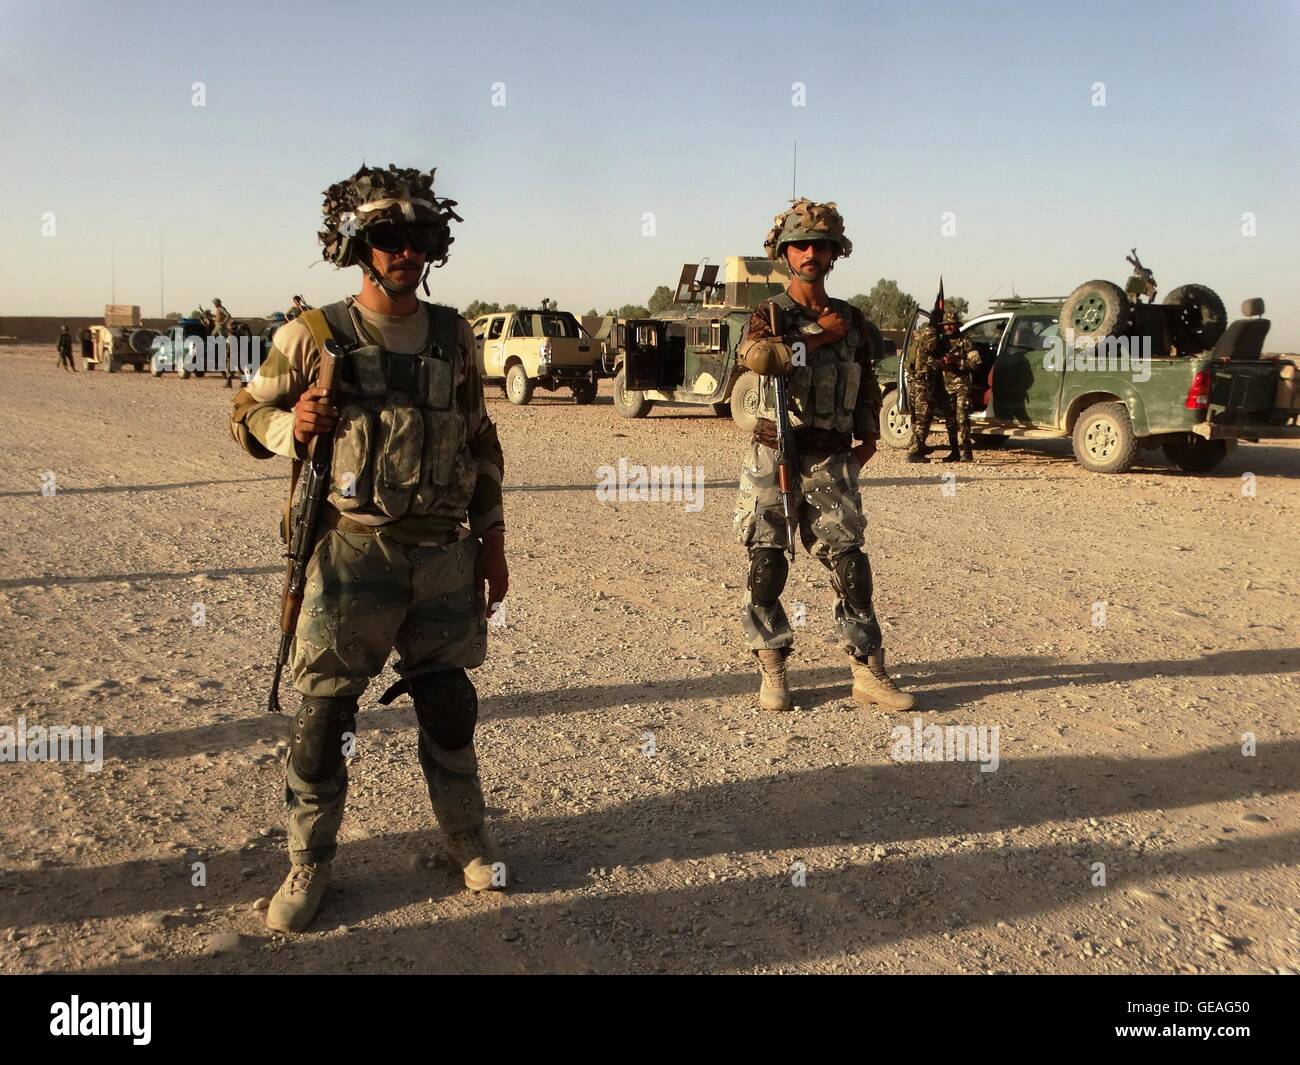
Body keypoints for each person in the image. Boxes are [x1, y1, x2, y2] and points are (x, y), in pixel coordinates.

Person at [228, 163, 509, 933]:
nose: (405, 252)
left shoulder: (454, 336)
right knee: (323, 718)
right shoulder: (312, 336)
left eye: (419, 238)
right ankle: (310, 860)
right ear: (358, 244)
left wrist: (493, 539)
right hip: (352, 553)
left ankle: (467, 838)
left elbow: (482, 444)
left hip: (442, 556)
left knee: (450, 703)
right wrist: (294, 427)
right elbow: (245, 414)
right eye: (388, 237)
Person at [733, 198, 915, 714]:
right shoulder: (769, 315)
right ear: (784, 252)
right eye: (802, 244)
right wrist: (817, 336)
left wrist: (868, 438)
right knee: (767, 563)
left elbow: (866, 382)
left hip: (832, 456)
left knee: (851, 564)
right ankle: (771, 663)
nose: (812, 252)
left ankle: (867, 669)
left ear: (836, 254)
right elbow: (762, 358)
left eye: (822, 245)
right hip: (775, 451)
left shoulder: (854, 319)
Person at [906, 308, 979, 462]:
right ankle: (954, 452)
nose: (948, 327)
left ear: (957, 325)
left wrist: (957, 362)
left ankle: (966, 450)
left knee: (962, 418)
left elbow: (976, 363)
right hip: (944, 388)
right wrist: (939, 364)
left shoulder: (965, 341)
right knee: (950, 421)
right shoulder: (939, 342)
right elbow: (929, 357)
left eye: (951, 324)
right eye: (946, 324)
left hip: (961, 387)